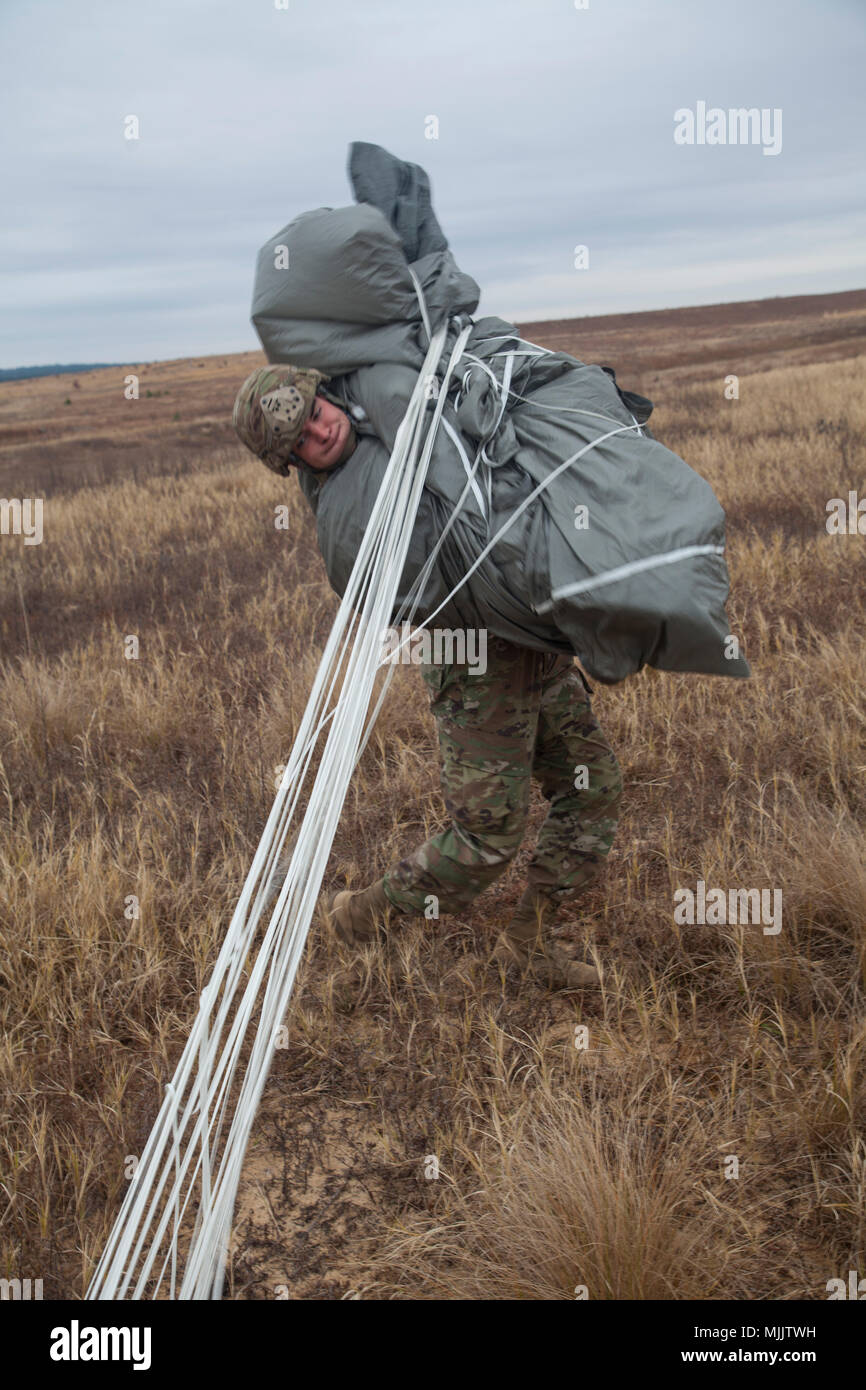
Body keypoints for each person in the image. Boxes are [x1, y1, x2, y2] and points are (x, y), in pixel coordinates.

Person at [233, 365, 623, 991]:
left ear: (329, 396)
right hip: (478, 666)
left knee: (592, 787)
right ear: (292, 462)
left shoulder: (382, 418)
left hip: (536, 646)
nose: (321, 430)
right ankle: (359, 919)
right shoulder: (350, 509)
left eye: (314, 412)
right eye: (302, 439)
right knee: (487, 838)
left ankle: (534, 939)